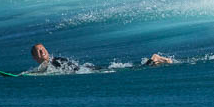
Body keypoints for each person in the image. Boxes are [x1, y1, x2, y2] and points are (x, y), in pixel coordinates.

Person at [30, 43, 174, 72]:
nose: (42, 52)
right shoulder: (47, 65)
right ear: (35, 57)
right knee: (128, 68)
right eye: (38, 51)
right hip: (87, 69)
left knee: (130, 69)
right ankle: (154, 61)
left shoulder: (55, 61)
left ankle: (153, 59)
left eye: (43, 50)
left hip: (89, 70)